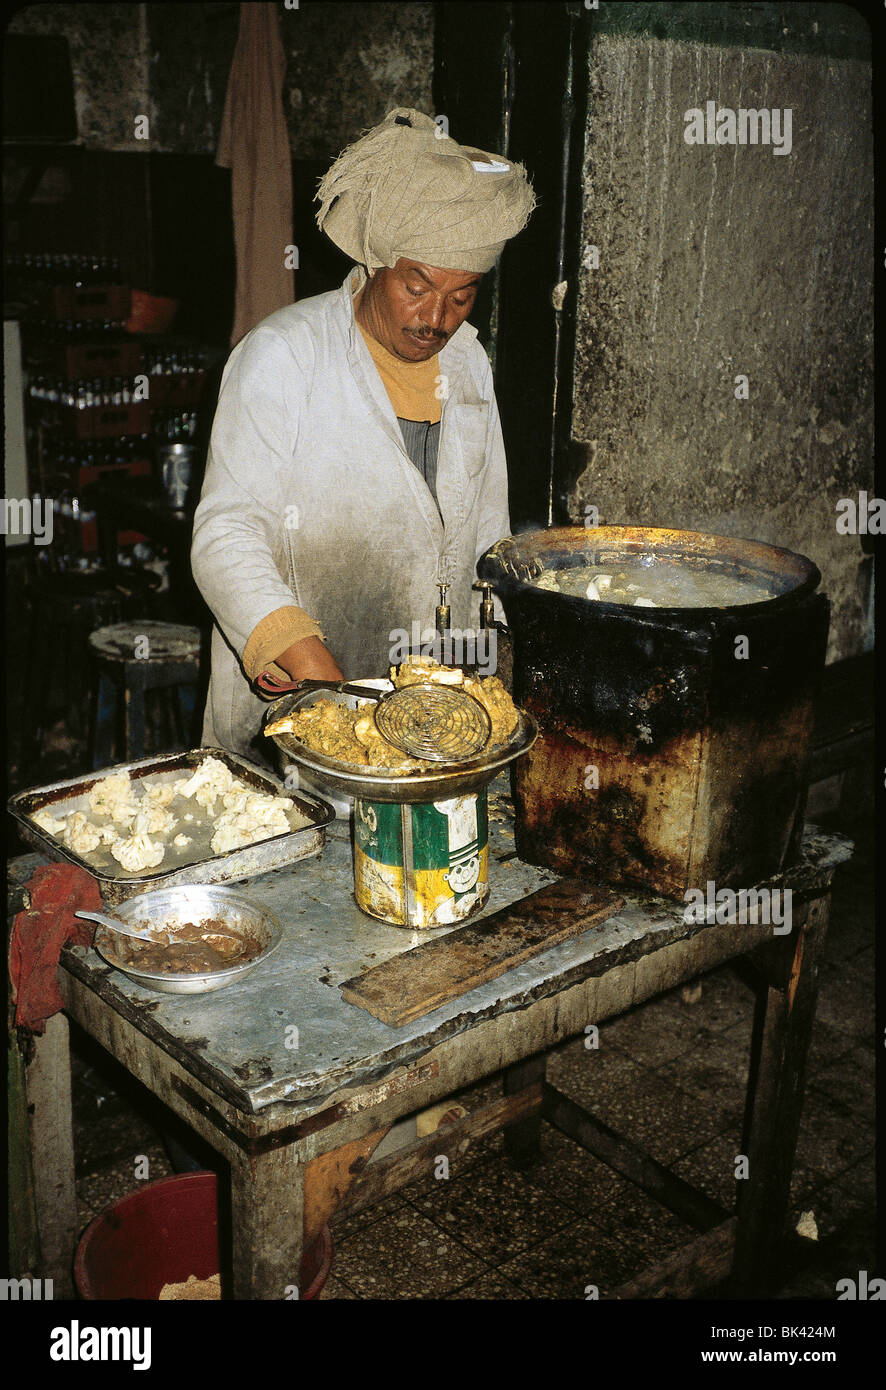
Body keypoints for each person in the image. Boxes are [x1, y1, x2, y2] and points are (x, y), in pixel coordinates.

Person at [191, 108, 535, 760]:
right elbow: (225, 533)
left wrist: (503, 650)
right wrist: (309, 664)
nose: (436, 318)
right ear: (377, 262)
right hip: (294, 718)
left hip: (438, 709)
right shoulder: (286, 355)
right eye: (417, 285)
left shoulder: (469, 363)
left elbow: (490, 532)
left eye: (462, 297)